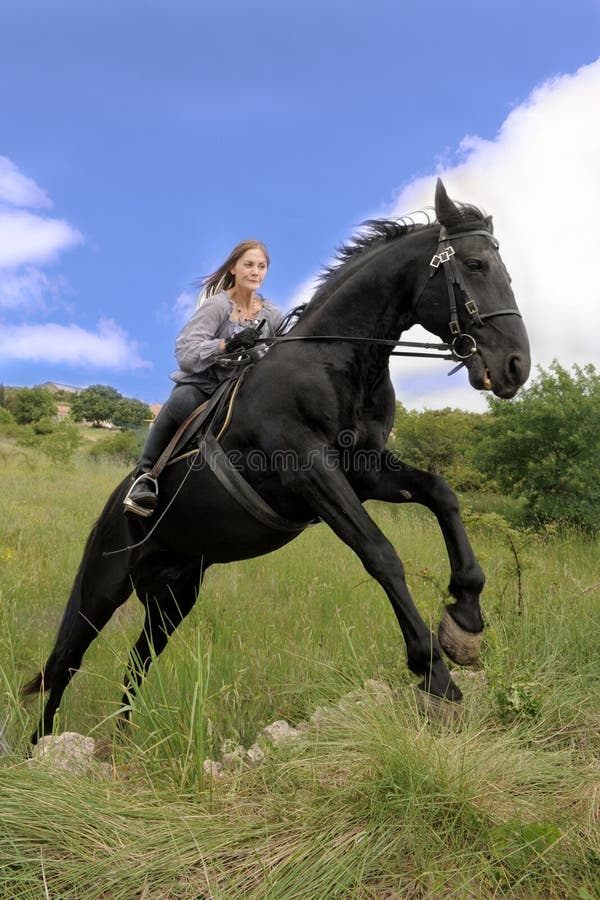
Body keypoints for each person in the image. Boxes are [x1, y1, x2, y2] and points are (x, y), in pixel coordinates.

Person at [123, 240, 283, 517]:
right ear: (233, 268)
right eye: (248, 265)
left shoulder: (272, 314)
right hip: (204, 385)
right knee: (182, 399)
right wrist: (226, 344)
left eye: (261, 266)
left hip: (243, 390)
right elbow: (185, 351)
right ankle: (145, 477)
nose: (255, 271)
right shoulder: (217, 306)